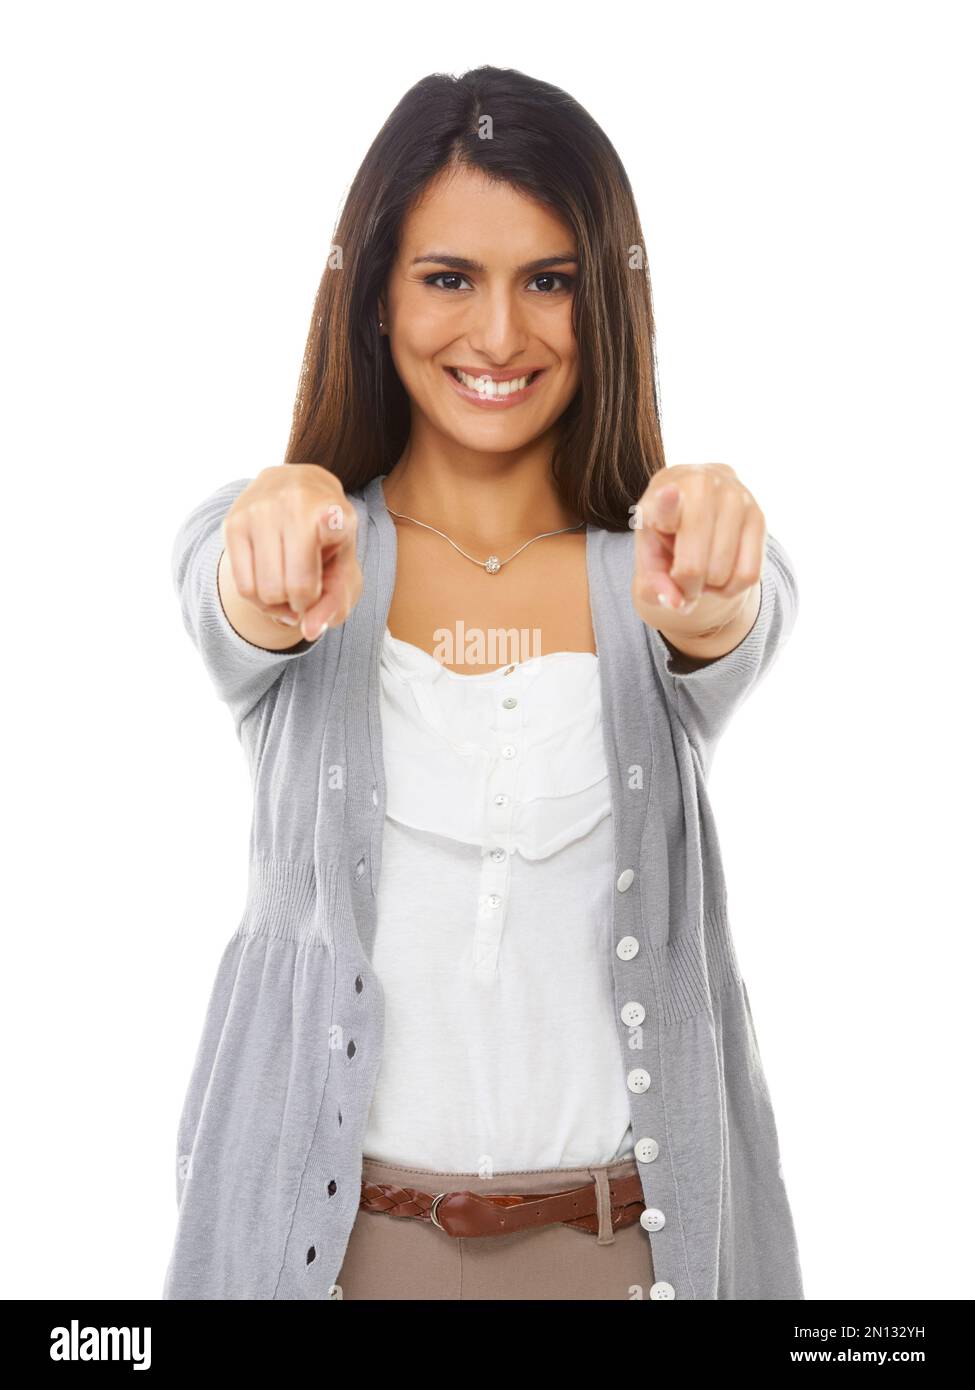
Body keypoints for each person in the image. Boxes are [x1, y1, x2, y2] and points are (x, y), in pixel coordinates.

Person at [164, 65, 803, 1301]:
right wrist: (275, 526)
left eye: (549, 281)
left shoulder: (657, 579)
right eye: (448, 278)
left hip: (623, 1262)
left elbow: (738, 615)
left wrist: (721, 581)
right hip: (334, 1261)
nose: (499, 336)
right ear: (375, 299)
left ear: (603, 300)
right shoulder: (302, 548)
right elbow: (229, 594)